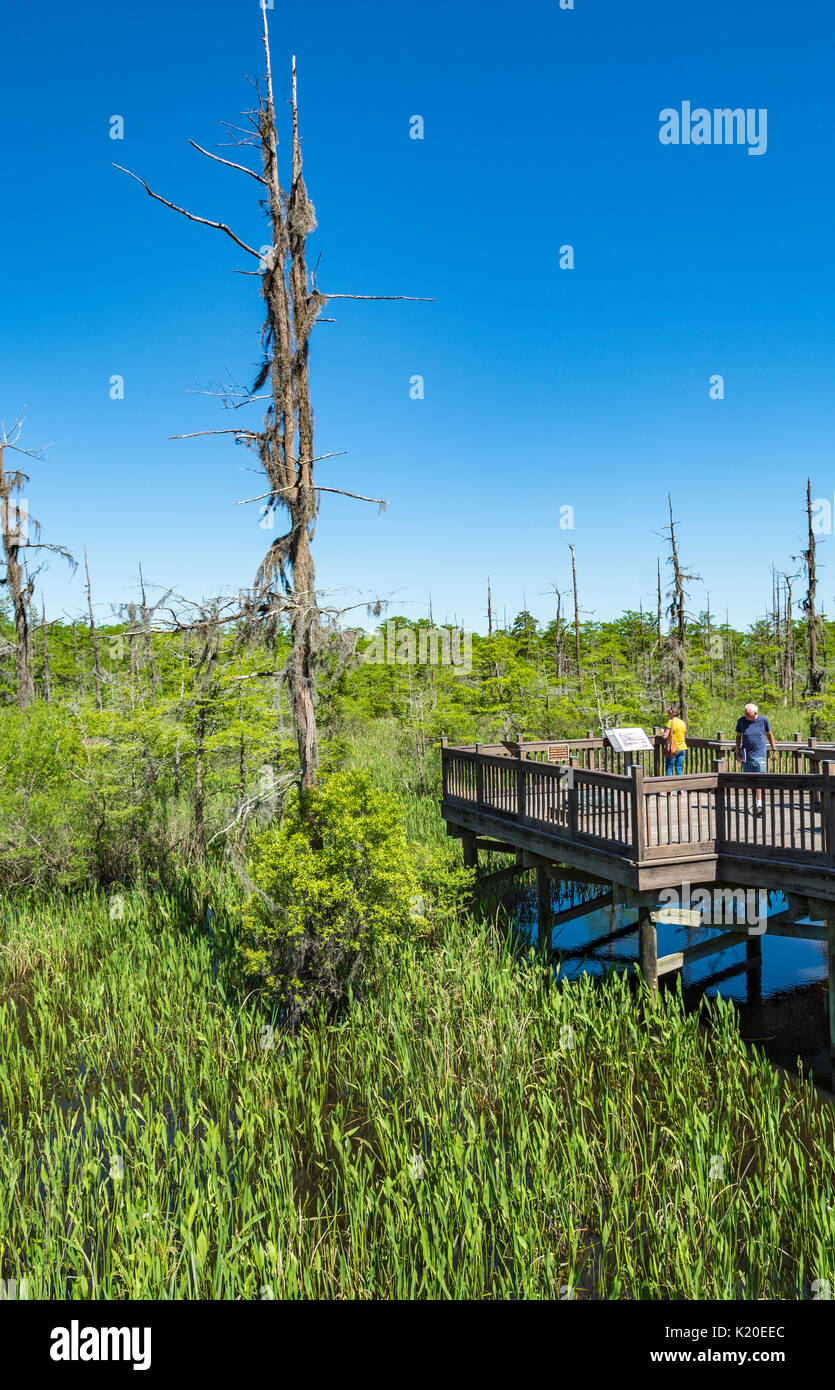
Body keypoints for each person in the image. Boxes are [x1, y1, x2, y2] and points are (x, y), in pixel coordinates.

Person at [735, 702, 777, 814]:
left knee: (759, 780)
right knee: (750, 780)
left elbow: (770, 735)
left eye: (748, 714)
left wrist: (774, 750)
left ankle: (759, 804)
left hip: (760, 754)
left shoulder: (763, 720)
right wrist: (738, 752)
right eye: (745, 713)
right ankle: (755, 803)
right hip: (746, 755)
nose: (745, 715)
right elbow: (738, 737)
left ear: (755, 713)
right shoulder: (741, 721)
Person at [661, 703, 687, 796]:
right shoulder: (682, 722)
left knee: (669, 768)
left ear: (671, 714)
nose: (668, 716)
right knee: (679, 768)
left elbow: (665, 736)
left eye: (668, 714)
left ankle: (669, 790)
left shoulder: (671, 722)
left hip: (673, 749)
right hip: (683, 748)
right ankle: (681, 790)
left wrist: (662, 732)